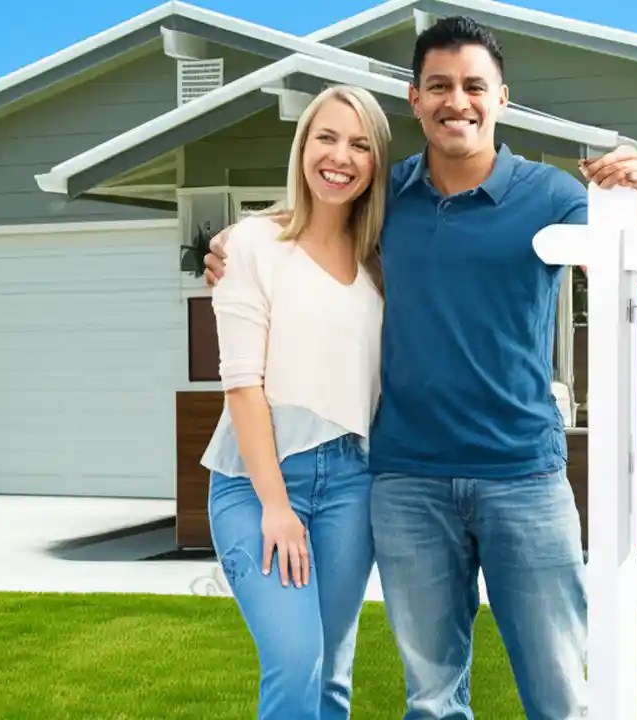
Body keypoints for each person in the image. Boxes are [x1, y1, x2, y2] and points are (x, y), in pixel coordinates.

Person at [205, 16, 637, 720]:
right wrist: (234, 242)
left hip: (524, 480)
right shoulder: (387, 203)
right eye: (440, 85)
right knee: (433, 701)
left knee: (563, 696)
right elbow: (309, 229)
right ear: (415, 99)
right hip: (406, 484)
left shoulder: (553, 196)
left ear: (502, 98)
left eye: (475, 86)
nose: (458, 100)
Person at [199, 83, 391, 720]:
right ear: (302, 145)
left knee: (333, 669)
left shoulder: (379, 265)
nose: (340, 156)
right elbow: (242, 383)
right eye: (327, 137)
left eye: (361, 145)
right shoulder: (252, 246)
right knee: (295, 656)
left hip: (352, 483)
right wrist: (277, 506)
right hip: (255, 485)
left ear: (376, 164)